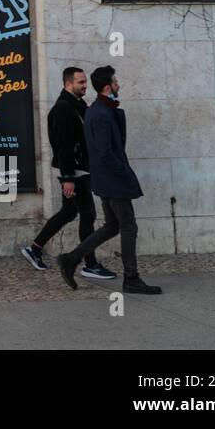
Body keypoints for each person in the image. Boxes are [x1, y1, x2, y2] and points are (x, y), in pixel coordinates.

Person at [58, 67, 162, 295]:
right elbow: (105, 153)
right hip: (113, 180)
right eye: (116, 82)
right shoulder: (102, 113)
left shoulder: (99, 110)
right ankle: (131, 278)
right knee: (128, 226)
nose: (118, 85)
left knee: (113, 225)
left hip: (106, 179)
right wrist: (123, 172)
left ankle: (72, 258)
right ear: (108, 86)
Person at [21, 67, 116, 280]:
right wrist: (68, 178)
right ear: (68, 84)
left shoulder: (77, 105)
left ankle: (35, 249)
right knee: (88, 214)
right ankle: (89, 264)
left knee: (69, 212)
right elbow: (63, 147)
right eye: (80, 82)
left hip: (79, 168)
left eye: (84, 82)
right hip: (75, 170)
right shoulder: (64, 109)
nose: (85, 85)